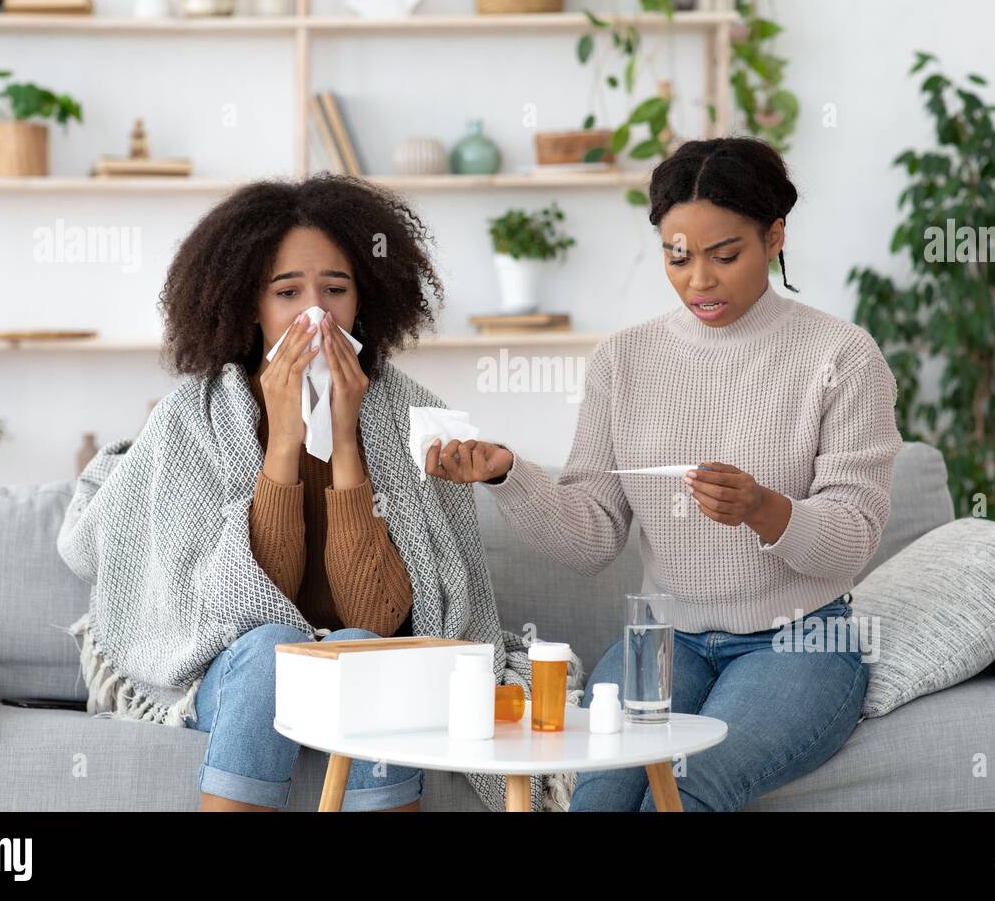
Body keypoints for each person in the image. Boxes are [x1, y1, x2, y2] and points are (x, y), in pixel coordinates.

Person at [425, 136, 903, 811]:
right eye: (678, 257)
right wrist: (508, 475)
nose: (699, 280)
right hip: (664, 641)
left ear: (774, 237)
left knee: (685, 787)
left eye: (725, 256)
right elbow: (592, 540)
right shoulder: (624, 361)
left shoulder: (843, 357)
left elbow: (853, 538)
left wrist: (763, 508)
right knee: (597, 797)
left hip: (800, 641)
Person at [158, 175, 446, 812]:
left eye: (335, 290)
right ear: (250, 305)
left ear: (362, 302)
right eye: (287, 292)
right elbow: (251, 610)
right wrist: (284, 440)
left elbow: (378, 618)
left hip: (353, 661)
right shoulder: (196, 416)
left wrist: (345, 441)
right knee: (273, 649)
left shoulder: (407, 415)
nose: (315, 314)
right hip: (240, 667)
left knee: (366, 652)